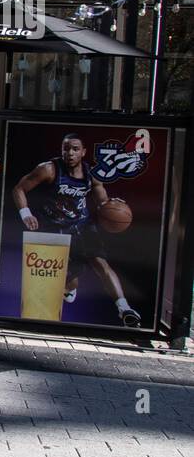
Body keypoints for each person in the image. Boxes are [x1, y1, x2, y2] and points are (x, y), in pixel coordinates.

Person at [12, 132, 139, 327]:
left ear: (83, 152)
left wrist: (113, 205)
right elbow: (19, 189)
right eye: (66, 148)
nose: (70, 153)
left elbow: (103, 203)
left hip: (82, 226)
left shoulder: (92, 175)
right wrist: (26, 213)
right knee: (66, 279)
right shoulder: (48, 169)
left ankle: (125, 309)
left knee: (102, 265)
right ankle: (68, 288)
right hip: (53, 227)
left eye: (75, 149)